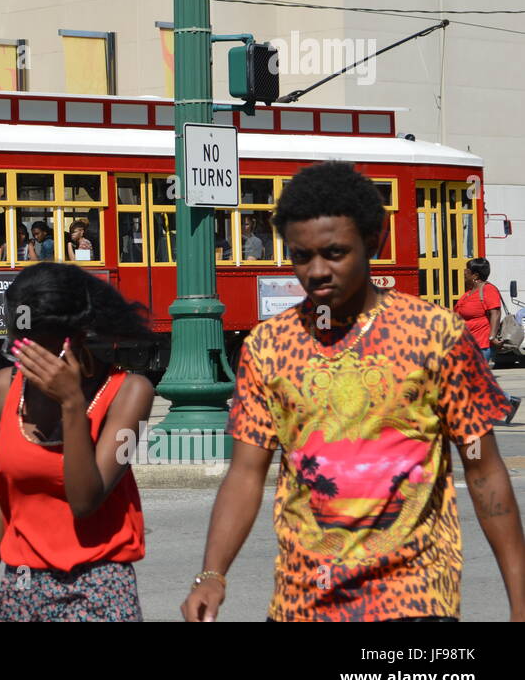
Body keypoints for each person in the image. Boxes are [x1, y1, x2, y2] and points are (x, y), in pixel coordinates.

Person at [182, 161, 525, 623]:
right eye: (302, 256)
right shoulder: (268, 347)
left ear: (374, 243)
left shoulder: (435, 334)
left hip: (414, 600)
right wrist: (213, 574)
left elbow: (484, 472)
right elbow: (246, 474)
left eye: (335, 253)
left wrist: (519, 603)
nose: (317, 271)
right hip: (303, 602)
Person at [0, 262, 157, 621]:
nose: (23, 355)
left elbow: (85, 500)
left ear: (75, 337)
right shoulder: (5, 389)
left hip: (98, 588)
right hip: (19, 588)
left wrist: (72, 405)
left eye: (35, 343)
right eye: (17, 341)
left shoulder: (130, 393)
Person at [454, 257, 502, 364]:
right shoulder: (469, 292)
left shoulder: (488, 289)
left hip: (480, 345)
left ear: (475, 275)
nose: (464, 272)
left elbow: (496, 313)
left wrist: (492, 336)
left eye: (467, 270)